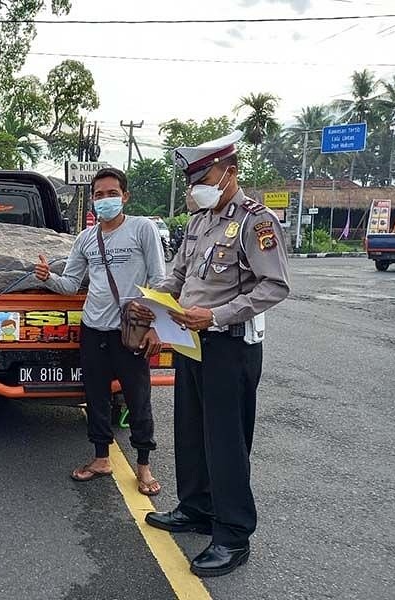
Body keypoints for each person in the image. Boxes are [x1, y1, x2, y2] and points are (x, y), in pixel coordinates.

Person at [140, 131, 290, 577]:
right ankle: (196, 508)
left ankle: (233, 535)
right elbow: (181, 276)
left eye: (202, 176)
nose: (195, 187)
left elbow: (275, 286)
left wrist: (219, 315)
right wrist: (148, 298)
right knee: (190, 431)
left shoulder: (254, 221)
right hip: (191, 340)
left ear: (230, 172)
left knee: (225, 442)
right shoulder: (201, 220)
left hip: (230, 345)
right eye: (192, 179)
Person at [34, 167, 166, 495]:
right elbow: (70, 284)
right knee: (96, 397)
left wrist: (157, 327)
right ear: (92, 199)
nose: (105, 200)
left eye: (111, 193)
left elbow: (160, 281)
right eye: (99, 195)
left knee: (138, 399)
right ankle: (101, 458)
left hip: (130, 331)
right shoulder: (86, 239)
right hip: (93, 329)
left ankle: (144, 467)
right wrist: (47, 277)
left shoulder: (142, 229)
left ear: (125, 196)